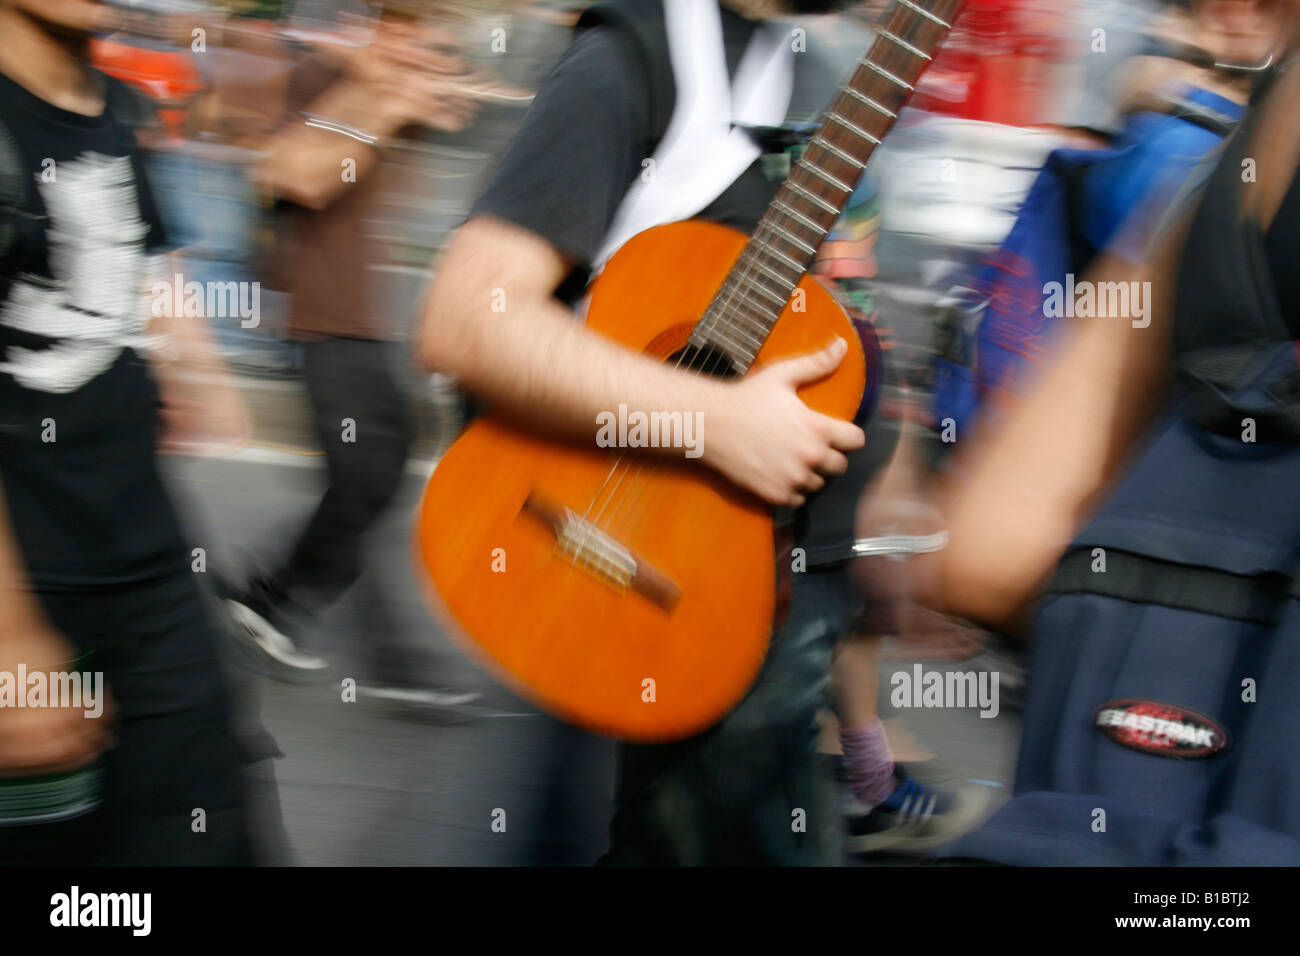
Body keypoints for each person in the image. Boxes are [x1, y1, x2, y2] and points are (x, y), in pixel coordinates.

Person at [419, 0, 922, 864]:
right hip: (682, 568)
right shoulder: (634, 61)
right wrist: (715, 421)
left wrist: (897, 486)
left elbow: (849, 294)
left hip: (795, 581)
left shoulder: (829, 59)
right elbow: (467, 319)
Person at [0, 0, 275, 864]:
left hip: (148, 563)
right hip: (31, 581)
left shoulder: (115, 106)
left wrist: (196, 359)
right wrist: (12, 641)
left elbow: (143, 262)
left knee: (213, 829)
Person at [223, 0, 481, 708]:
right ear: (373, 25)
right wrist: (384, 106)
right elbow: (296, 175)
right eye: (404, 30)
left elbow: (458, 110)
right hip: (321, 318)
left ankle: (266, 598)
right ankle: (382, 656)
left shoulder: (384, 83)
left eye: (426, 34)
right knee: (367, 480)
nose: (416, 46)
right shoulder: (321, 75)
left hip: (366, 322)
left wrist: (433, 100)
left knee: (373, 478)